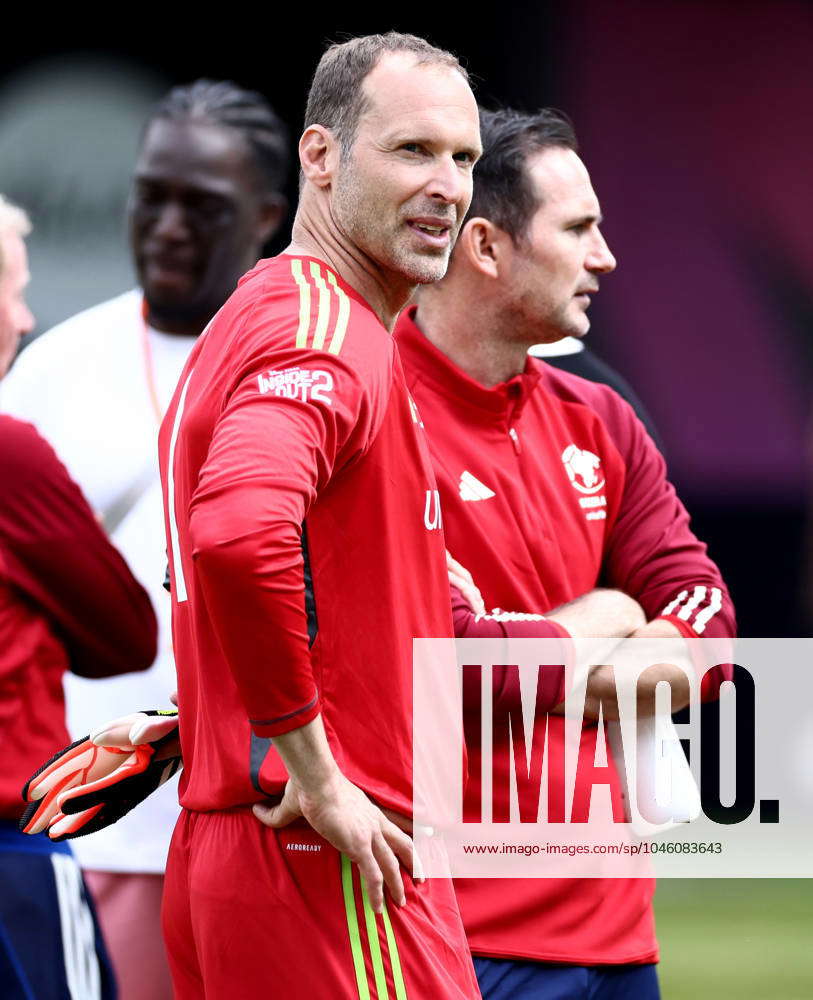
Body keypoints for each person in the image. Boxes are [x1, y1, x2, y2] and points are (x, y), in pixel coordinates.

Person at [157, 33, 483, 999]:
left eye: (463, 159)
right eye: (413, 151)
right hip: (334, 863)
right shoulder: (325, 331)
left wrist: (219, 717)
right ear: (320, 155)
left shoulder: (268, 312)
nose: (447, 187)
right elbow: (238, 535)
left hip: (264, 848)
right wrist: (312, 761)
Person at [394, 107, 736, 999]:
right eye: (579, 228)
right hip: (456, 932)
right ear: (484, 247)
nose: (605, 257)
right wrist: (609, 614)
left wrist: (537, 655)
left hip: (621, 933)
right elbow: (442, 666)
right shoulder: (375, 415)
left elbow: (708, 620)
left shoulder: (600, 416)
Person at [0, 80, 288, 1000]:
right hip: (97, 815)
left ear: (265, 218)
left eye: (201, 208)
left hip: (276, 811)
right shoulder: (50, 367)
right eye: (149, 196)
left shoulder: (310, 358)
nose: (166, 227)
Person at [0, 194, 157, 998]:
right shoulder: (11, 453)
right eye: (12, 292)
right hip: (13, 857)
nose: (24, 321)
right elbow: (129, 636)